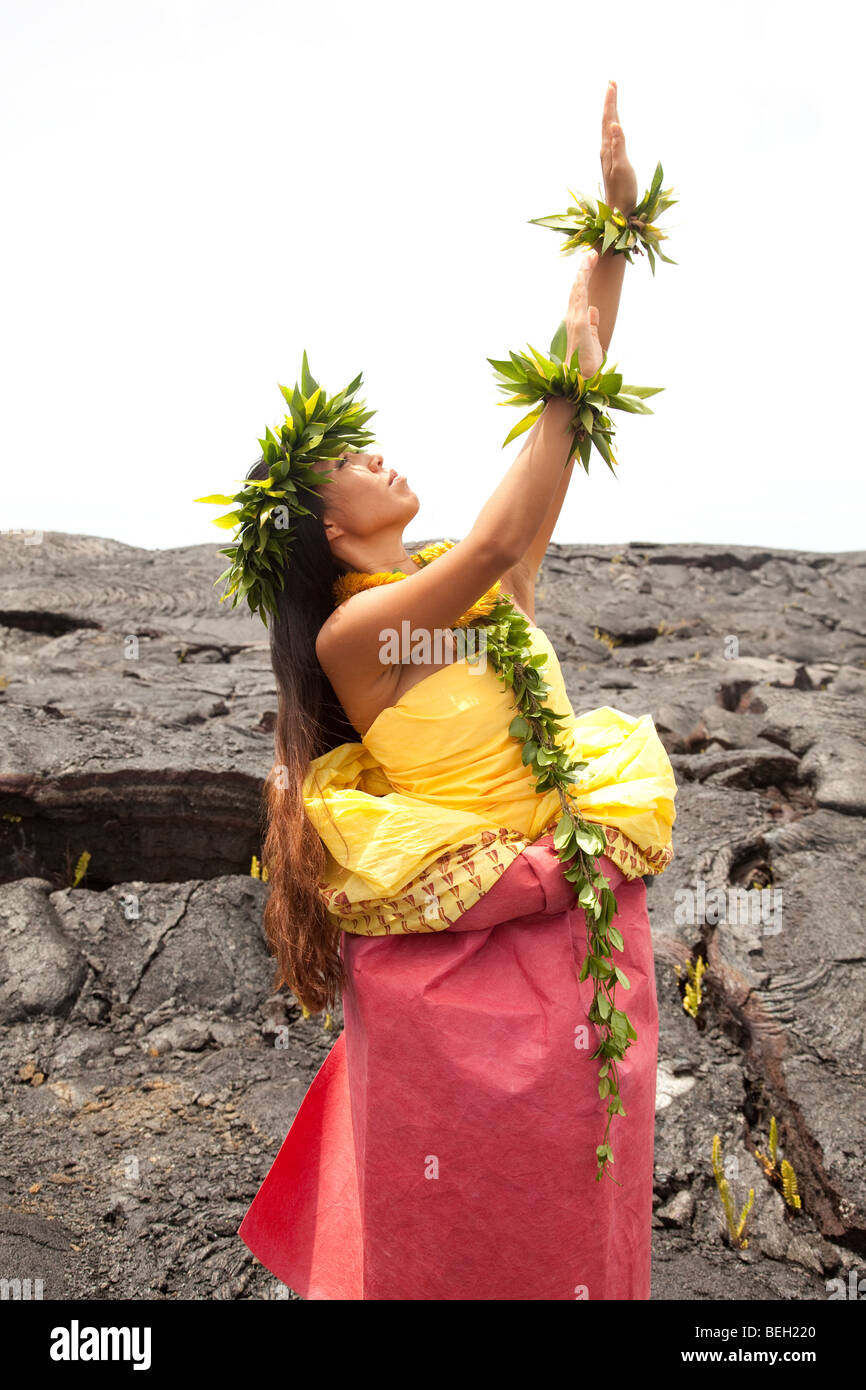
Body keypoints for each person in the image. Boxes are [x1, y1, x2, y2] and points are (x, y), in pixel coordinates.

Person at [237, 83, 677, 1299]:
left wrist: (609, 234)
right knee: (474, 1220)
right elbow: (494, 539)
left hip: (563, 905)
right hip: (465, 941)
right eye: (351, 459)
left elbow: (523, 504)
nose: (379, 451)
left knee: (580, 1187)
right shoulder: (359, 633)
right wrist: (563, 391)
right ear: (328, 527)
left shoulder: (458, 602)